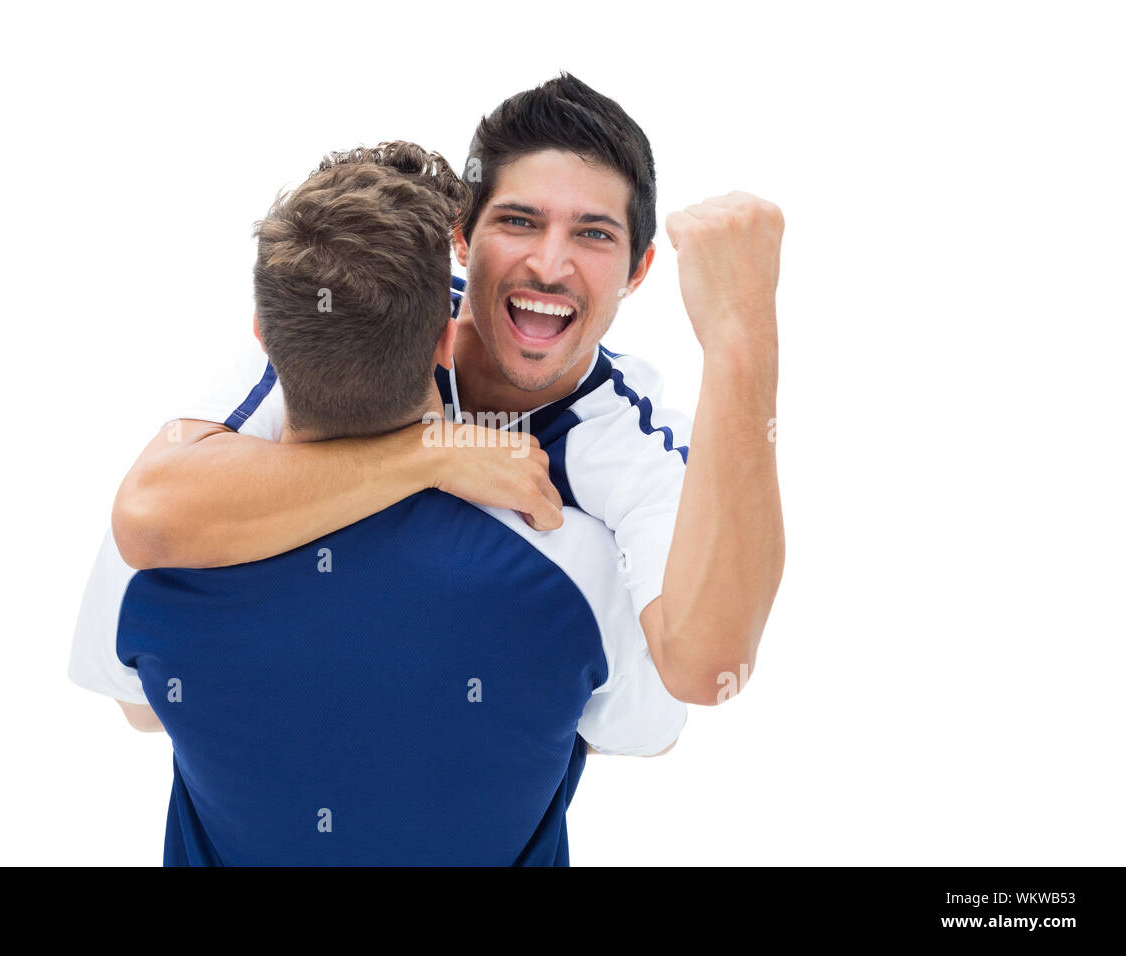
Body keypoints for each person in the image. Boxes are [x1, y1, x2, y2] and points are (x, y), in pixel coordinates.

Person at [70, 142, 686, 865]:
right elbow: (648, 733)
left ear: (264, 338)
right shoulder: (577, 562)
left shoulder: (159, 547)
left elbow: (141, 713)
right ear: (442, 342)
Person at [106, 73, 786, 708]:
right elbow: (148, 513)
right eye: (519, 221)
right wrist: (431, 457)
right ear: (462, 237)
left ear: (638, 271)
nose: (550, 264)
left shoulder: (626, 442)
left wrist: (740, 341)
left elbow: (705, 669)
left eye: (593, 234)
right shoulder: (365, 308)